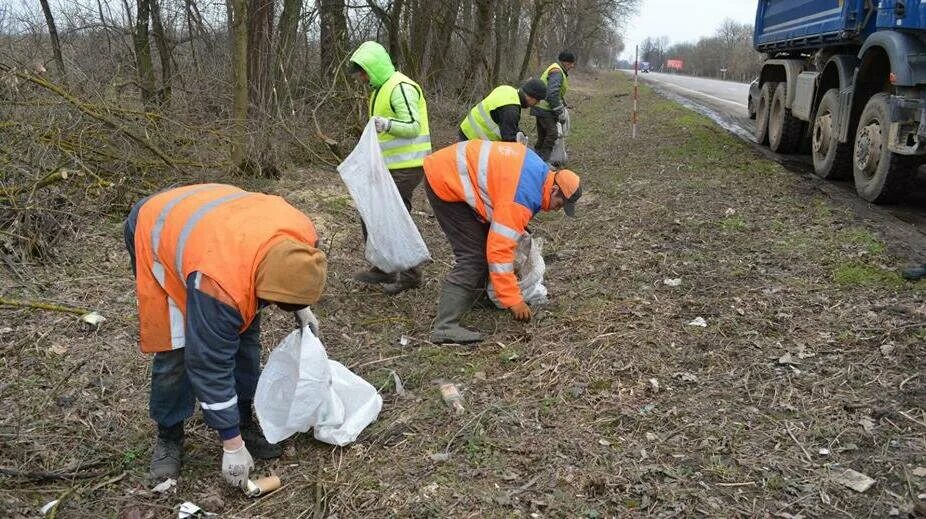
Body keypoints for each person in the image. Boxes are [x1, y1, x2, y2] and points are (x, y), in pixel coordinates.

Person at [123, 184, 328, 488]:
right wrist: (230, 446)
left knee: (245, 335)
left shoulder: (302, 234)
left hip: (217, 224)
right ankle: (169, 435)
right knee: (176, 349)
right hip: (156, 230)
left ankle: (243, 418)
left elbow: (290, 272)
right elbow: (209, 363)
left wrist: (302, 309)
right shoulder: (218, 284)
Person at [422, 141, 582, 343]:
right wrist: (513, 299)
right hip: (445, 180)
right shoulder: (521, 198)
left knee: (483, 242)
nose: (558, 209)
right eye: (560, 203)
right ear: (554, 190)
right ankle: (444, 326)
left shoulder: (540, 172)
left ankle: (478, 297)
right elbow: (498, 252)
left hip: (450, 169)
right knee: (473, 256)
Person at [348, 40, 431, 295]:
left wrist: (387, 125)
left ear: (373, 67)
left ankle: (409, 273)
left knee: (388, 214)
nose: (361, 78)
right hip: (393, 165)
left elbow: (413, 126)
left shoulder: (400, 87)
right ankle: (386, 267)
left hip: (409, 164)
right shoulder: (380, 89)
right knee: (377, 212)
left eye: (363, 72)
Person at [458, 79, 547, 143]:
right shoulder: (511, 110)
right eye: (537, 100)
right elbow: (508, 141)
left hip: (467, 127)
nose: (537, 103)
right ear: (531, 96)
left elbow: (505, 122)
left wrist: (520, 133)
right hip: (473, 138)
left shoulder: (507, 90)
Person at [531, 51, 577, 161]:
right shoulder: (557, 72)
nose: (572, 66)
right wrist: (559, 112)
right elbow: (552, 94)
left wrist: (563, 104)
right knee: (552, 134)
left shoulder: (557, 69)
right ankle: (544, 161)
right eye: (571, 63)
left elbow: (555, 92)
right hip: (545, 108)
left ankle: (536, 159)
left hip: (540, 106)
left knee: (543, 136)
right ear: (564, 62)